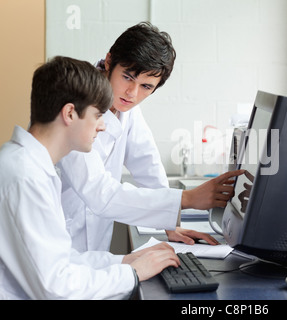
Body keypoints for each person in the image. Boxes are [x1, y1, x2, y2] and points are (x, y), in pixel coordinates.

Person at [0, 56, 180, 299]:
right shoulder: (25, 178)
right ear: (70, 113)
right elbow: (56, 288)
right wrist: (132, 272)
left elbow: (63, 259)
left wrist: (125, 260)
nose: (104, 127)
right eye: (98, 115)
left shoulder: (29, 166)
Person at [56, 22, 243, 253]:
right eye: (127, 77)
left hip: (90, 249)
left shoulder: (126, 108)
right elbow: (98, 192)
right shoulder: (76, 99)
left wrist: (170, 224)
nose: (132, 93)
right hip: (59, 240)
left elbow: (148, 165)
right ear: (108, 60)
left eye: (146, 86)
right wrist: (185, 199)